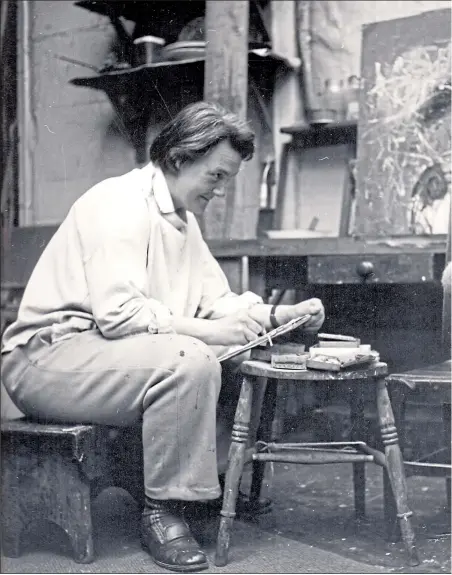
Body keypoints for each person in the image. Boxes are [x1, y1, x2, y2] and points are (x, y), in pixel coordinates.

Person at [1, 101, 325, 572]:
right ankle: (165, 510)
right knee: (188, 360)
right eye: (216, 176)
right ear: (178, 159)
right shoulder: (117, 202)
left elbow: (216, 301)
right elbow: (119, 315)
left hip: (104, 354)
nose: (221, 190)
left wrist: (278, 315)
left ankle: (204, 491)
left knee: (233, 353)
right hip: (45, 358)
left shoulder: (181, 219)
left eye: (227, 179)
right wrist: (213, 332)